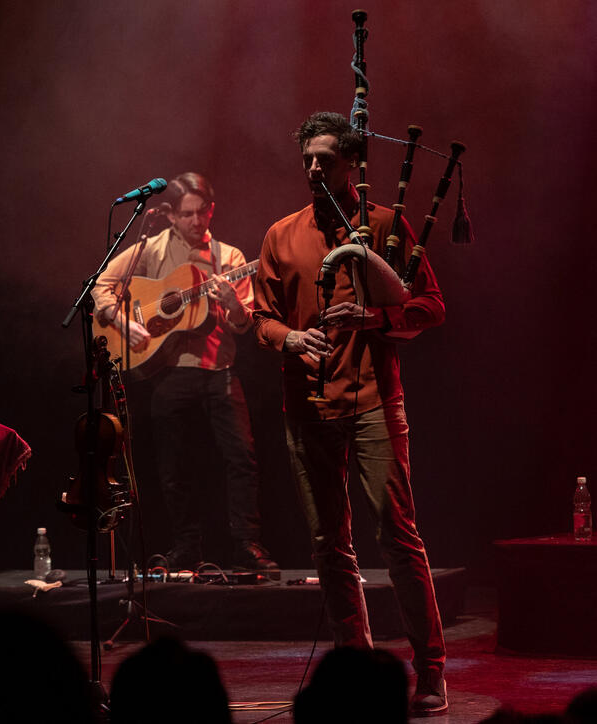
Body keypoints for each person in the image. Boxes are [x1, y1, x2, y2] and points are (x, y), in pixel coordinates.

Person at [253, 112, 447, 715]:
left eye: (326, 160)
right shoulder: (280, 235)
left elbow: (432, 305)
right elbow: (261, 318)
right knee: (329, 544)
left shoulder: (384, 225)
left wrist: (377, 318)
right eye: (307, 159)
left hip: (373, 403)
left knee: (398, 536)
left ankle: (431, 671)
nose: (313, 169)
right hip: (306, 405)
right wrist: (290, 338)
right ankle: (354, 670)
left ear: (352, 163)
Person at [92, 172, 278, 578]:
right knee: (174, 464)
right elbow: (101, 284)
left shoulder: (230, 258)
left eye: (202, 212)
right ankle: (186, 546)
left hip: (219, 371)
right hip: (170, 371)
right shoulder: (152, 247)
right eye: (187, 214)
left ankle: (247, 545)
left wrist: (233, 304)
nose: (196, 221)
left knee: (241, 459)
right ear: (172, 215)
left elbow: (244, 324)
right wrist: (123, 322)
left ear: (211, 210)